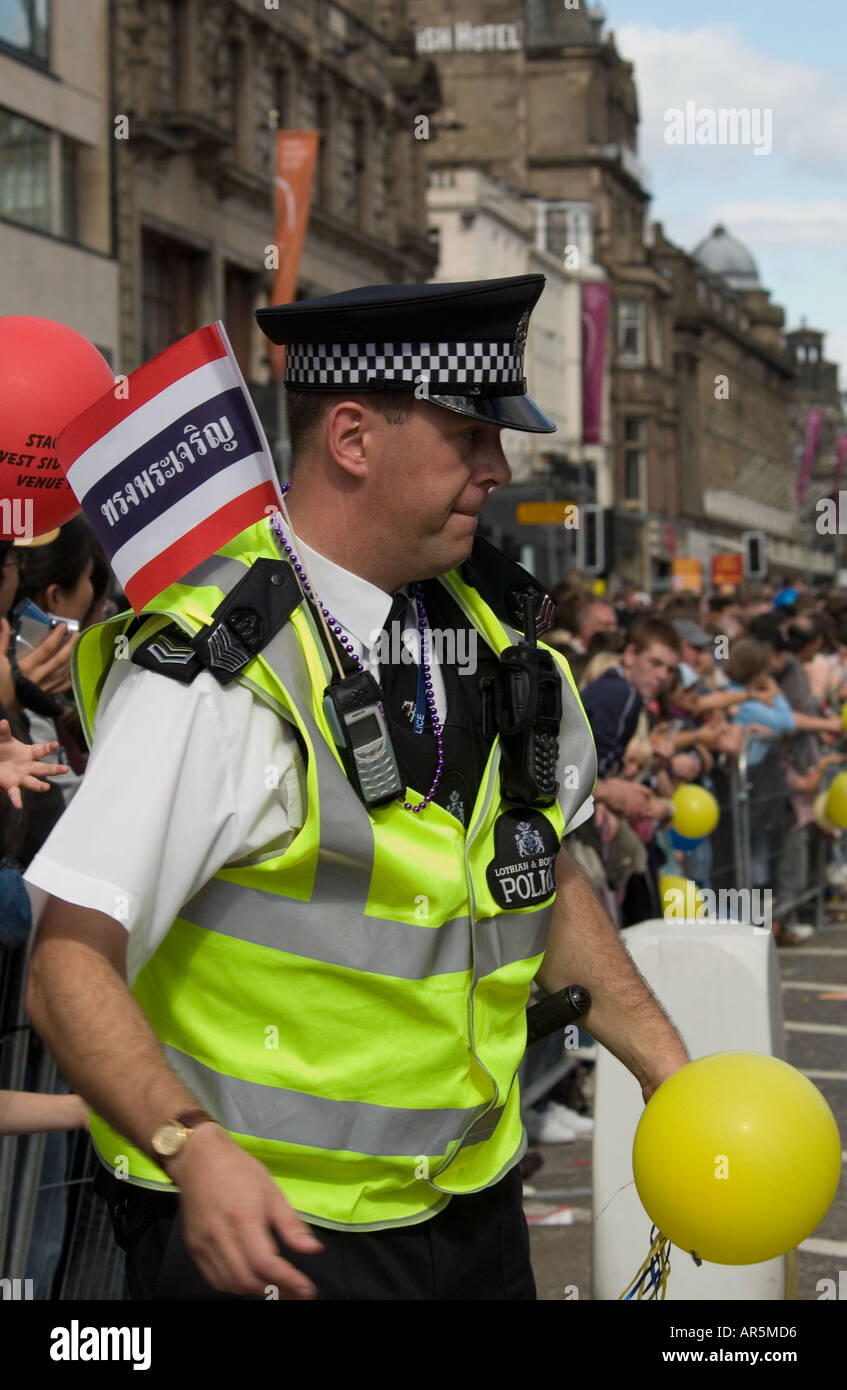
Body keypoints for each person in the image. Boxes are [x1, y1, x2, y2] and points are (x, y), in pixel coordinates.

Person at [25, 275, 688, 1302]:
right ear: (351, 438)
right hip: (271, 1242)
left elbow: (537, 874)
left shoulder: (497, 640)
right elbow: (69, 963)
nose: (498, 467)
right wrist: (190, 1146)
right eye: (469, 434)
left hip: (475, 1217)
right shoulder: (214, 672)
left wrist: (667, 1069)